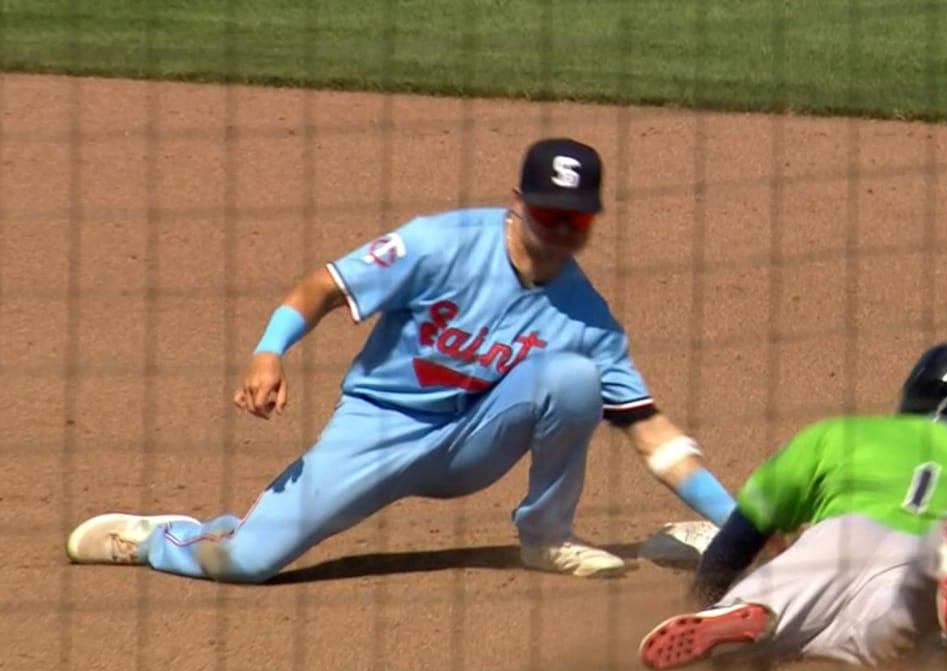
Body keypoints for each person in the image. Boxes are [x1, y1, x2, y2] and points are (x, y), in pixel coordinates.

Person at [65, 137, 738, 582]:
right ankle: (157, 538)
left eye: (577, 221)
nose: (561, 232)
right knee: (247, 563)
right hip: (377, 426)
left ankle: (544, 535)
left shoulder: (583, 314)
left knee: (574, 378)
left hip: (471, 442)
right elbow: (322, 287)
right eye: (547, 214)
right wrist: (269, 351)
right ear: (517, 203)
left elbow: (654, 434)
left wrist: (742, 526)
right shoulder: (437, 243)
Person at [637, 341, 947, 671]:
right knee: (887, 631)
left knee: (779, 605)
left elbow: (744, 532)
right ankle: (933, 562)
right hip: (912, 560)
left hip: (842, 535)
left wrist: (702, 597)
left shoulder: (838, 434)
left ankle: (738, 610)